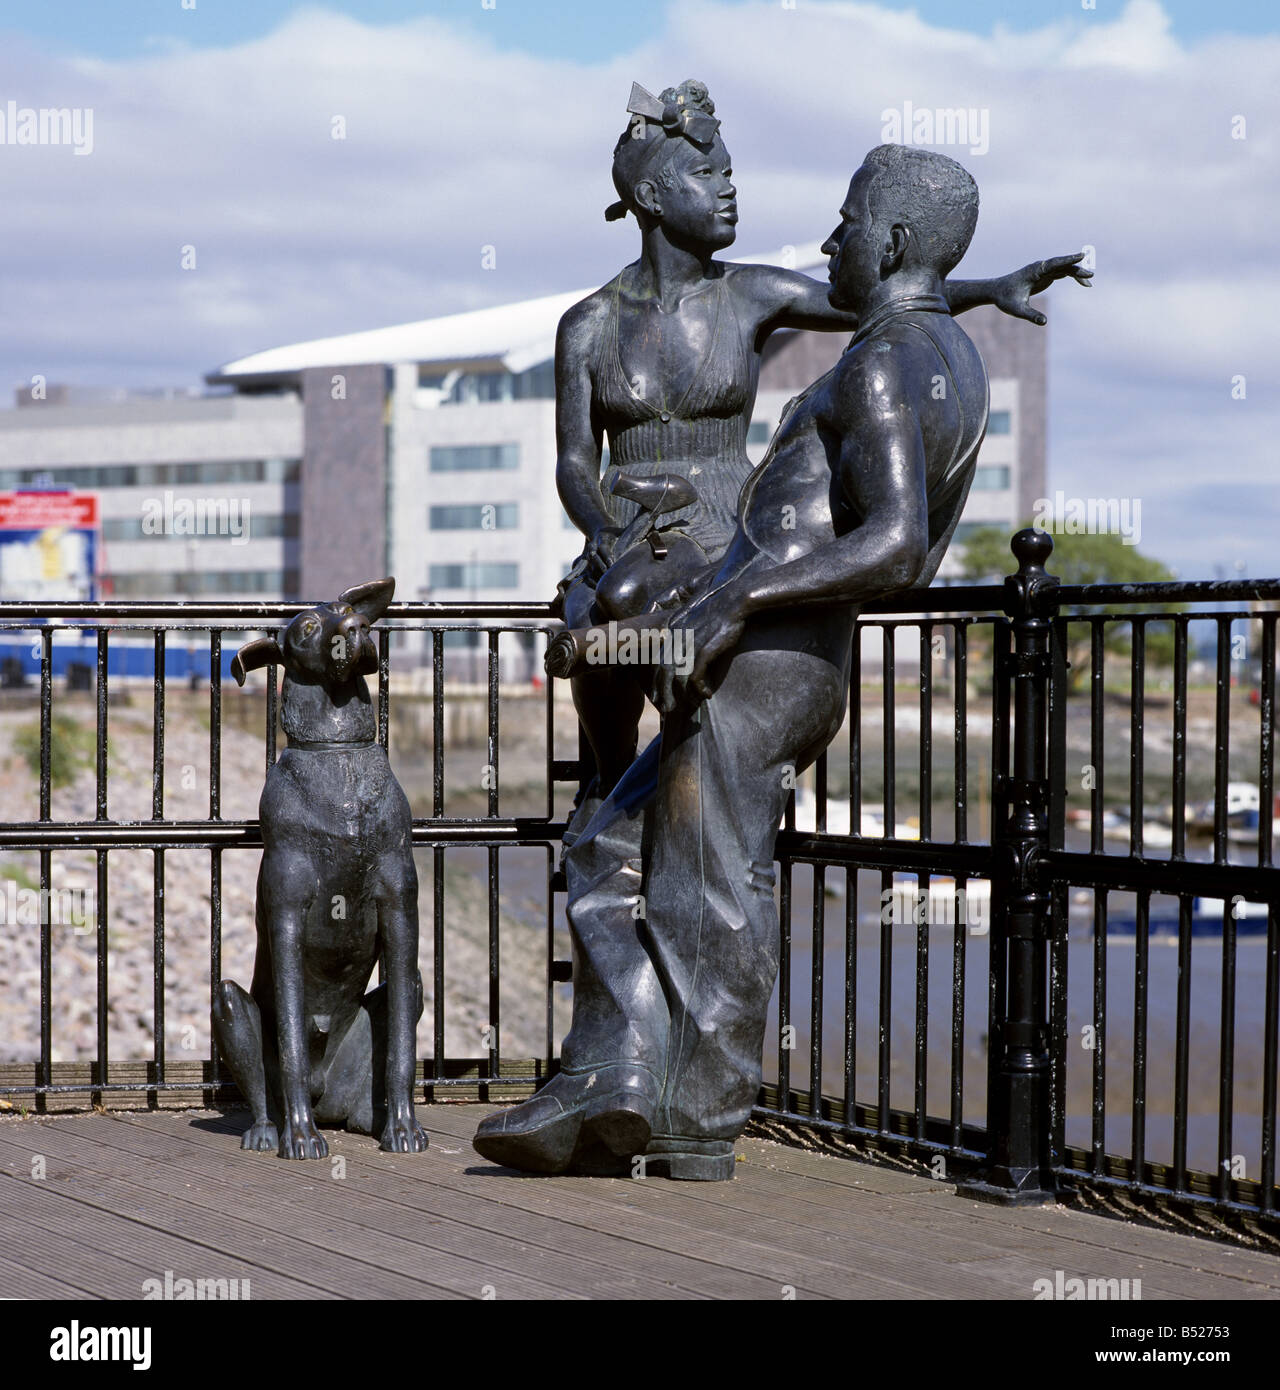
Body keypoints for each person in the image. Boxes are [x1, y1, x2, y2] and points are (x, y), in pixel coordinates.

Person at [476, 142, 995, 1179]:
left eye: (847, 223)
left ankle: (691, 1120)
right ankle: (622, 1077)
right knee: (622, 849)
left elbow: (893, 543)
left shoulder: (883, 361)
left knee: (704, 887)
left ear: (890, 241)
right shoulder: (948, 359)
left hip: (762, 662)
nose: (827, 239)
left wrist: (737, 598)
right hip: (784, 656)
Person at [557, 79, 1088, 836]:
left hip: (729, 516)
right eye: (709, 177)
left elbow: (877, 294)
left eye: (731, 174)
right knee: (606, 601)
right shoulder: (588, 325)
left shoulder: (750, 295)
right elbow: (574, 461)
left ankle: (692, 778)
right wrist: (602, 530)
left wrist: (984, 287)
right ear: (650, 195)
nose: (729, 191)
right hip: (632, 516)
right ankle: (615, 784)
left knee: (643, 617)